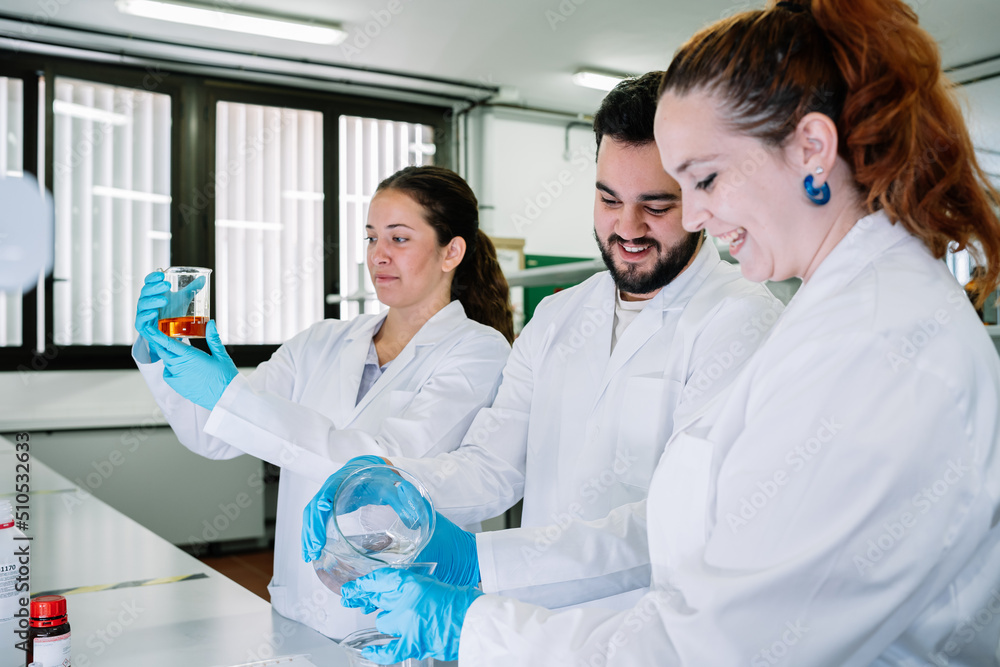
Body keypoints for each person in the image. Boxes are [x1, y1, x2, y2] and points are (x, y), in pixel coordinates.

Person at [332, 1, 1000, 664]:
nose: (699, 213)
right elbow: (698, 550)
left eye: (699, 182)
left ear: (812, 149)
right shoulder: (835, 316)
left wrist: (471, 627)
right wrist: (431, 519)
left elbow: (720, 645)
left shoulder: (872, 343)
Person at [303, 72, 783, 616]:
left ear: (702, 199)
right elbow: (492, 463)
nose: (627, 227)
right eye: (608, 199)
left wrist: (480, 560)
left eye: (656, 206)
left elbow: (679, 523)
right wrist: (394, 485)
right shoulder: (560, 315)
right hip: (531, 628)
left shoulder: (741, 321)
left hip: (650, 635)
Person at [131, 165, 513, 640]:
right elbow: (214, 438)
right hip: (300, 606)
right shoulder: (321, 341)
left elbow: (381, 462)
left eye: (399, 239)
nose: (379, 256)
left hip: (403, 615)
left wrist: (231, 395)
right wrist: (166, 353)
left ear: (450, 251)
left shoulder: (478, 349)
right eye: (372, 238)